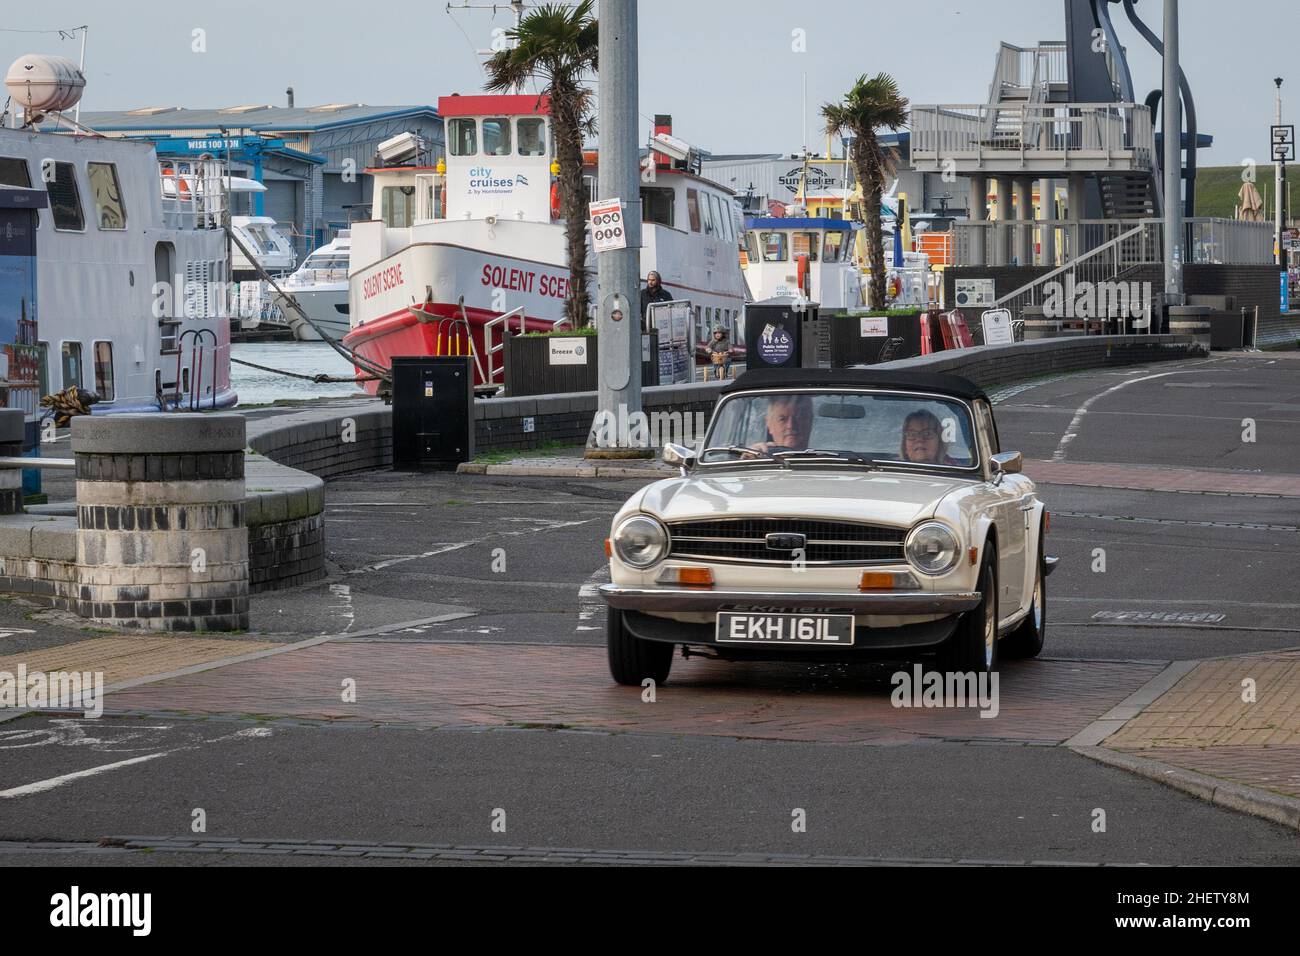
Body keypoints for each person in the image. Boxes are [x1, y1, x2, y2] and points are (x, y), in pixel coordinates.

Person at [746, 394, 813, 456]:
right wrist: (748, 459)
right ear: (769, 424)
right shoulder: (757, 461)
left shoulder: (822, 462)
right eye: (782, 419)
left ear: (810, 421)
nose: (790, 425)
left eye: (799, 417)